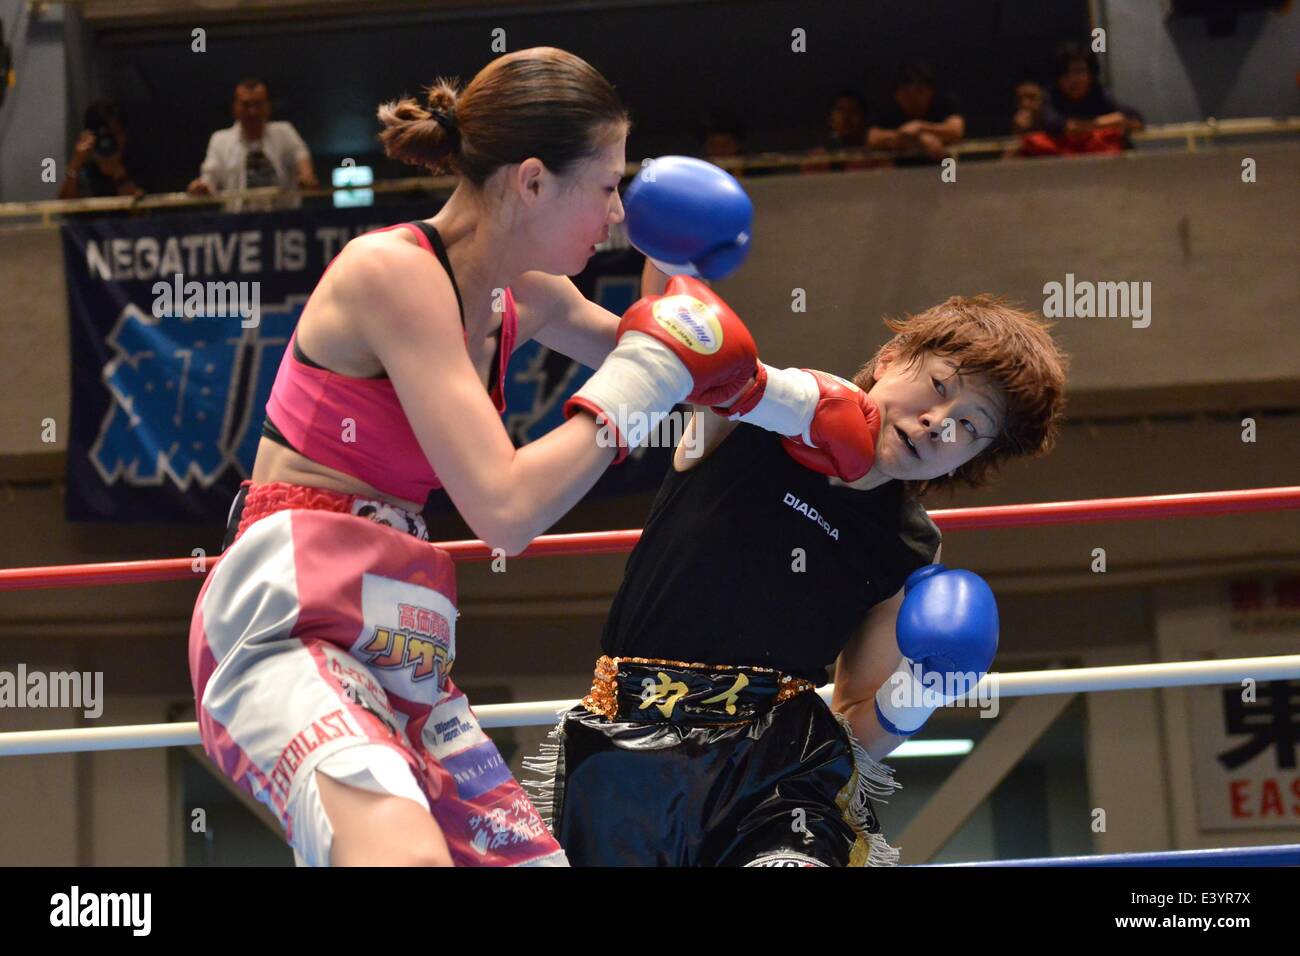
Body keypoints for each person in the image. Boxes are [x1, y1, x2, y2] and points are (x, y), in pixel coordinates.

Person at [188, 47, 759, 868]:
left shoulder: (523, 291)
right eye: (606, 187)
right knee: (400, 859)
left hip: (399, 627)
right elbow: (506, 508)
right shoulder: (391, 272)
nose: (616, 216)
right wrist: (647, 377)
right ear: (531, 181)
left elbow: (676, 370)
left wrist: (678, 268)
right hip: (288, 611)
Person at [524, 161, 1069, 866]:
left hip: (775, 770)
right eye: (937, 388)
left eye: (969, 428)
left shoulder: (908, 547)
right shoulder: (748, 417)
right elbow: (668, 335)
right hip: (623, 742)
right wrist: (665, 237)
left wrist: (921, 690)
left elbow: (855, 722)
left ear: (973, 459)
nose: (938, 423)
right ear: (891, 355)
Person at [187, 78, 319, 211]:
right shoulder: (220, 140)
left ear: (268, 106)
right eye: (246, 105)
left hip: (284, 221)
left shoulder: (284, 131)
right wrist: (203, 186)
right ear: (235, 107)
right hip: (239, 224)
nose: (252, 112)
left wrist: (306, 174)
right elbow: (211, 173)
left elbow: (300, 154)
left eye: (258, 104)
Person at [1019, 42, 1144, 157]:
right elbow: (1055, 124)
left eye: (1079, 71)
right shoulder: (1051, 95)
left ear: (1090, 75)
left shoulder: (1097, 92)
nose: (1073, 79)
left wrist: (1124, 121)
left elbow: (1133, 117)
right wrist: (1106, 122)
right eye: (1065, 73)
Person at [866, 61, 965, 164]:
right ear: (897, 95)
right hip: (900, 175)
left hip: (944, 172)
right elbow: (872, 138)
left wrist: (920, 126)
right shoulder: (889, 110)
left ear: (931, 91)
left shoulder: (944, 104)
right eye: (906, 93)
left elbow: (956, 131)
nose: (914, 99)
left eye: (920, 91)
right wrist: (919, 140)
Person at [60, 100, 145, 201]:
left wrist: (119, 174)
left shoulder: (137, 163)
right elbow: (65, 207)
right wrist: (75, 164)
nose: (106, 144)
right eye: (102, 138)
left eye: (112, 136)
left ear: (124, 133)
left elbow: (140, 211)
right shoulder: (85, 168)